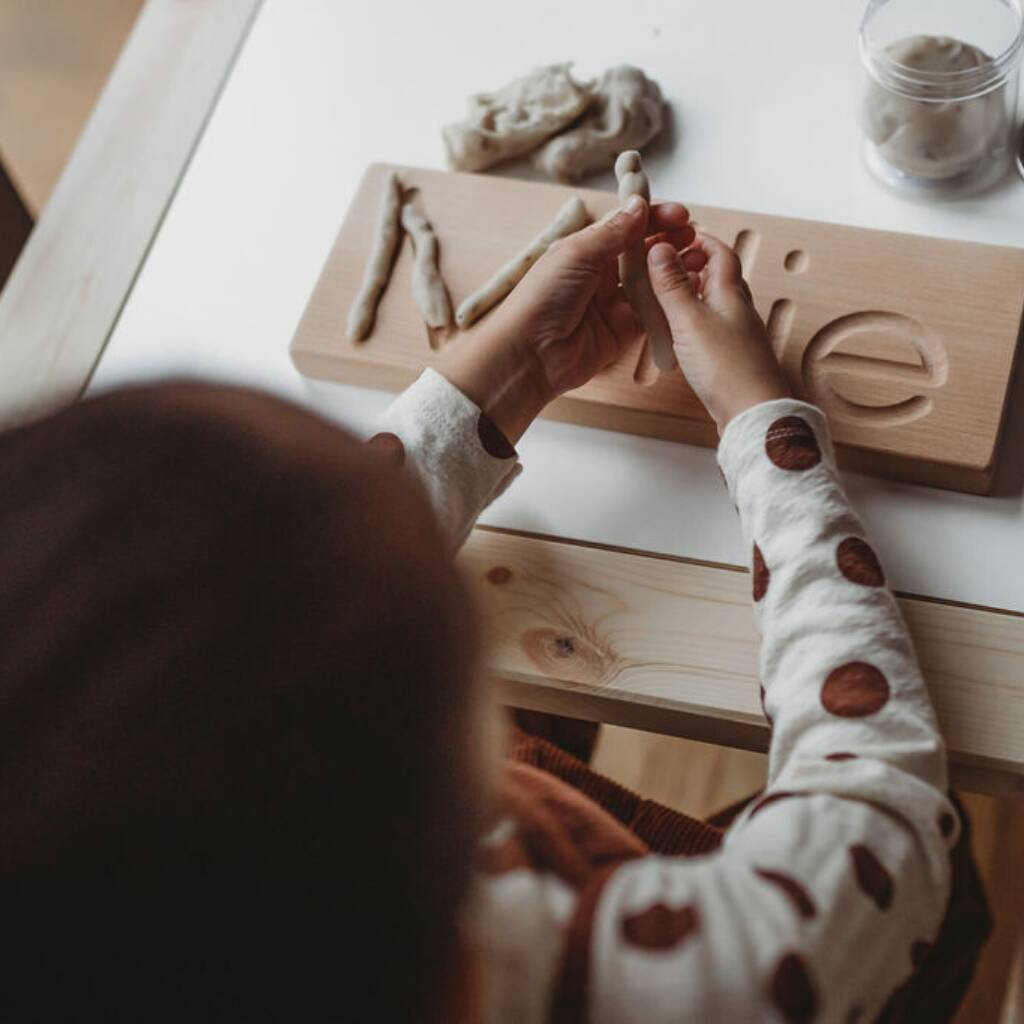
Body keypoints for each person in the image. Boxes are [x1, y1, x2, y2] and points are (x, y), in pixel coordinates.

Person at [0, 197, 987, 1022]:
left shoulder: (105, 852)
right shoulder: (669, 983)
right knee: (950, 909)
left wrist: (512, 369)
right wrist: (760, 424)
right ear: (441, 804)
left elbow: (239, 610)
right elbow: (877, 814)